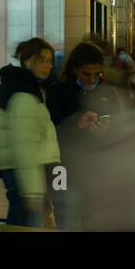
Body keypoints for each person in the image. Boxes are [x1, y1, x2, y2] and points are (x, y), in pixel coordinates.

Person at [43, 41, 123, 229]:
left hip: (95, 167)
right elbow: (49, 132)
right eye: (86, 74)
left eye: (98, 74)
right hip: (61, 168)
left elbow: (119, 129)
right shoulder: (57, 91)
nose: (92, 79)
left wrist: (107, 129)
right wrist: (76, 125)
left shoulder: (108, 92)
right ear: (74, 69)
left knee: (94, 218)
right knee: (65, 216)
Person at [0, 37, 60, 228]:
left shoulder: (20, 86)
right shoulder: (23, 93)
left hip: (16, 172)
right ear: (27, 60)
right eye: (42, 60)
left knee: (17, 223)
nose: (47, 66)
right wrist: (33, 191)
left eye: (50, 61)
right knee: (22, 225)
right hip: (21, 174)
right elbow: (25, 146)